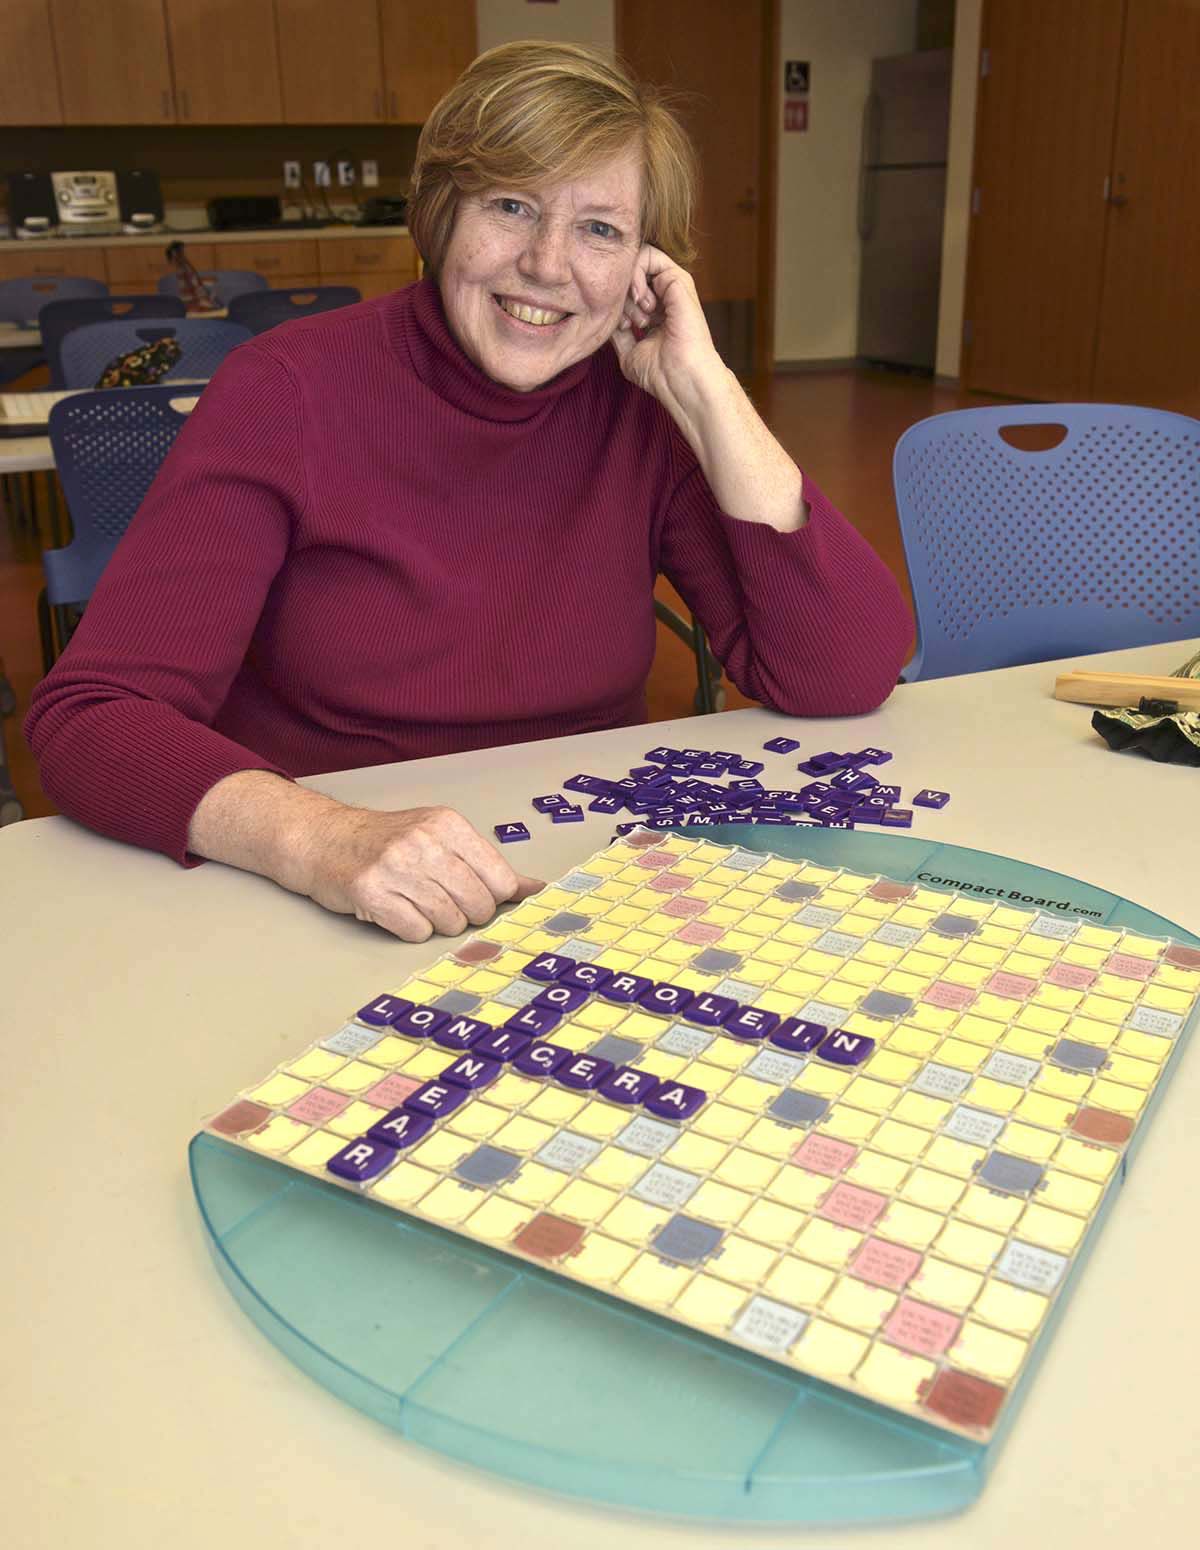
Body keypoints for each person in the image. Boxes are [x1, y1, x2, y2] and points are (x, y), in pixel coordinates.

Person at [26, 40, 913, 944]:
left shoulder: (644, 407)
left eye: (601, 230)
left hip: (574, 879)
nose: (547, 265)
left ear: (647, 269)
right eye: (511, 206)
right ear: (439, 214)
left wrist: (705, 388)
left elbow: (840, 673)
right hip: (325, 890)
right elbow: (92, 719)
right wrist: (319, 837)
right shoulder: (285, 390)